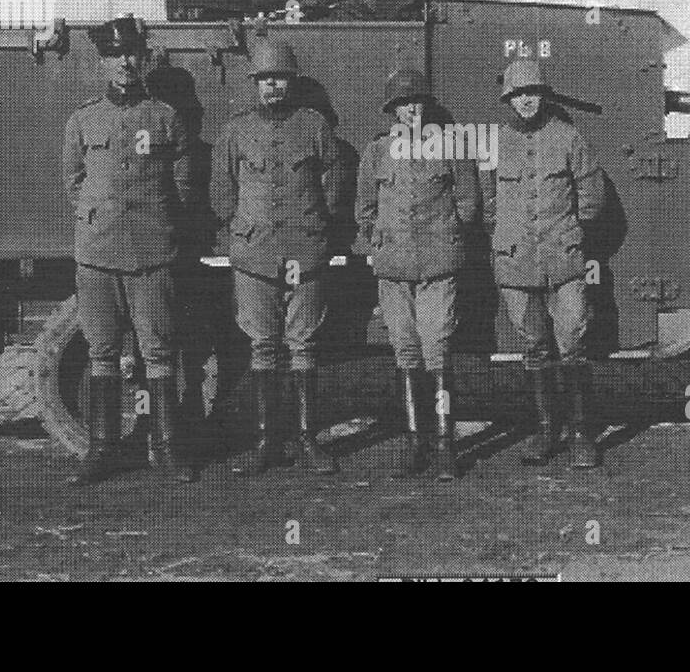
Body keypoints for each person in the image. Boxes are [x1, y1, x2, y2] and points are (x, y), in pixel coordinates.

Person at [63, 15, 195, 484]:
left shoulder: (164, 117)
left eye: (131, 53)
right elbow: (74, 182)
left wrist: (157, 220)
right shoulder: (83, 119)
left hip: (150, 252)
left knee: (158, 352)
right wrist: (100, 216)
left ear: (143, 58)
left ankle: (166, 449)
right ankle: (103, 451)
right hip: (97, 254)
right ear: (102, 62)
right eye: (114, 55)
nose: (124, 62)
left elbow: (181, 179)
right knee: (102, 351)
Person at [211, 39, 341, 475]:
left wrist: (316, 224)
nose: (273, 87)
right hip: (257, 254)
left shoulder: (315, 126)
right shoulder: (236, 130)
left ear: (291, 82)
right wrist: (246, 226)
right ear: (255, 85)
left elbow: (332, 186)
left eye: (280, 79)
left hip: (305, 249)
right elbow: (222, 192)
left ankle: (307, 439)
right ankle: (268, 440)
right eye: (265, 80)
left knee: (304, 344)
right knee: (263, 345)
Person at [355, 68, 479, 480]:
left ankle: (445, 444)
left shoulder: (450, 146)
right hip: (393, 267)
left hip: (438, 263)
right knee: (405, 348)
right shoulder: (378, 151)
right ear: (392, 110)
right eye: (403, 104)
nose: (411, 110)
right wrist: (380, 242)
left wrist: (445, 236)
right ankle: (415, 442)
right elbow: (365, 208)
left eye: (417, 102)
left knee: (437, 346)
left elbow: (467, 201)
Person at [482, 59, 604, 469]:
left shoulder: (568, 137)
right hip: (516, 264)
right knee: (533, 346)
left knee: (573, 341)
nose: (526, 100)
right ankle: (547, 430)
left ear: (543, 95)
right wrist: (506, 234)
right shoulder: (495, 144)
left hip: (563, 260)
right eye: (518, 94)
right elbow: (485, 201)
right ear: (509, 100)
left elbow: (591, 194)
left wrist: (570, 232)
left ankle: (582, 433)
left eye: (532, 92)